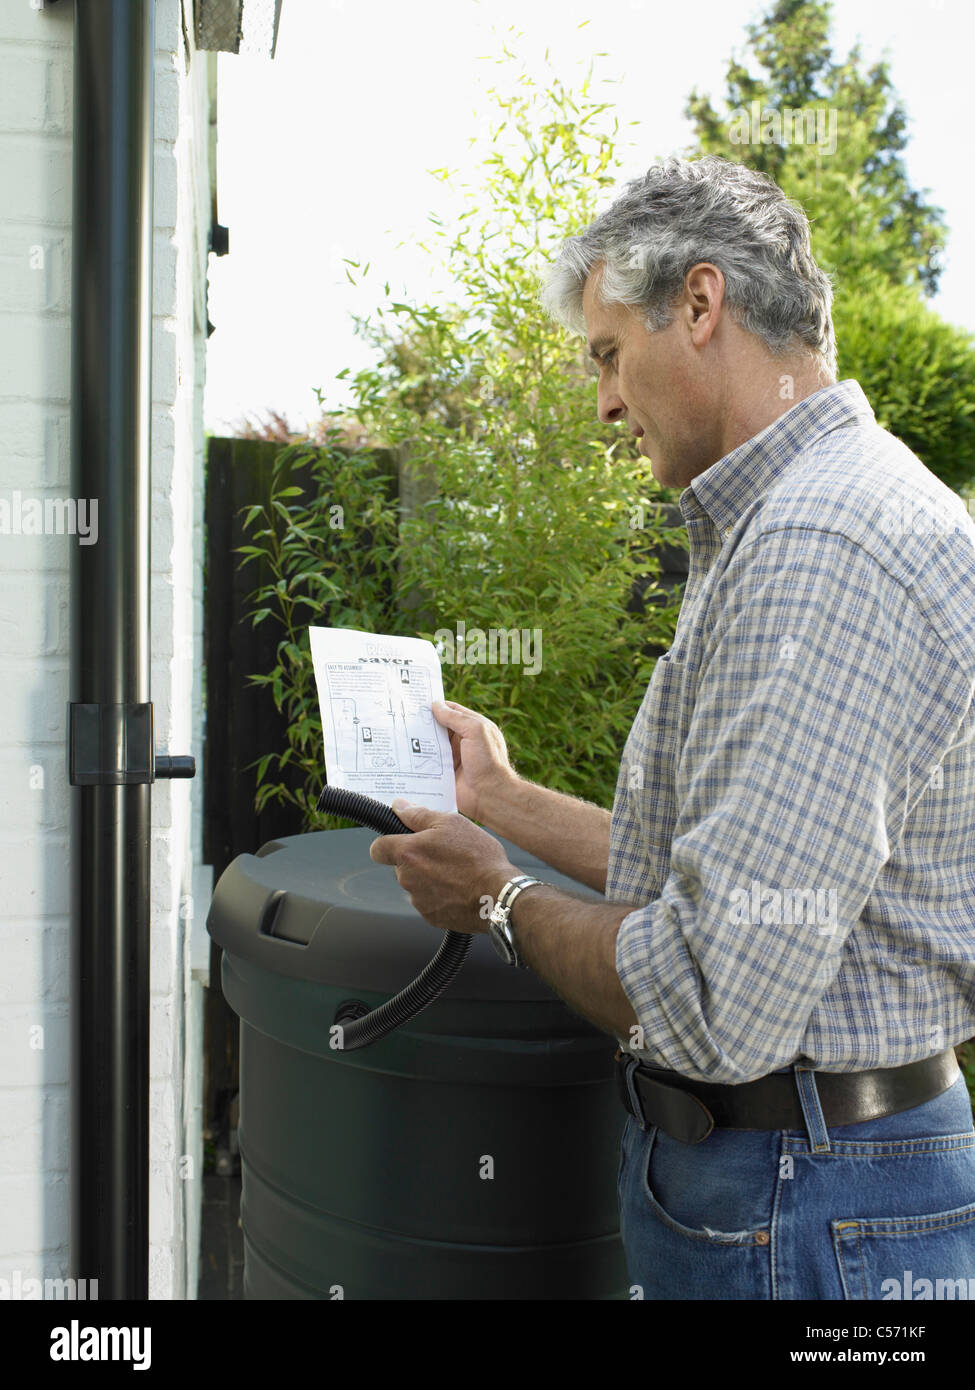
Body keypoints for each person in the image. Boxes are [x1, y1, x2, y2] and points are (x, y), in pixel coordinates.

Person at [369, 154, 975, 1300]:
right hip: (810, 1193)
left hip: (802, 1209)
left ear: (700, 305)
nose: (602, 400)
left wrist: (494, 895)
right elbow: (730, 877)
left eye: (608, 354)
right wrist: (500, 797)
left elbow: (708, 995)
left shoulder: (821, 548)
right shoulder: (804, 518)